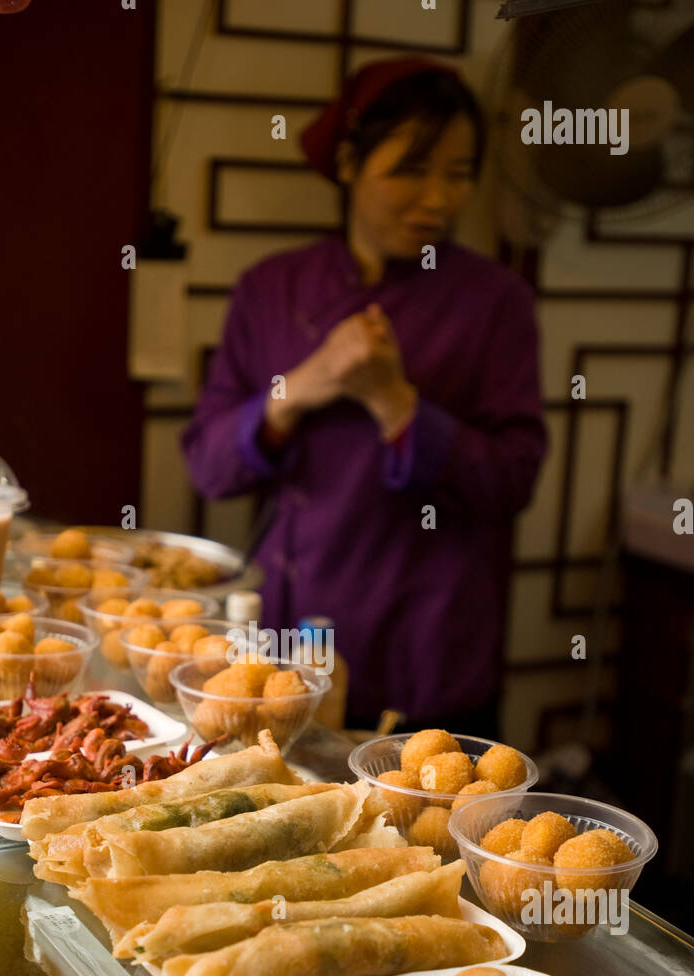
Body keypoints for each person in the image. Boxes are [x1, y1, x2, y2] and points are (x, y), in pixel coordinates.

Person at [182, 58, 547, 734]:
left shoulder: (496, 302)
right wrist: (296, 390)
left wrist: (397, 405)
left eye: (459, 173)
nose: (437, 198)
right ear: (349, 163)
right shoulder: (272, 288)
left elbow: (512, 482)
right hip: (291, 637)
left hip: (429, 648)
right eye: (410, 169)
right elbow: (207, 464)